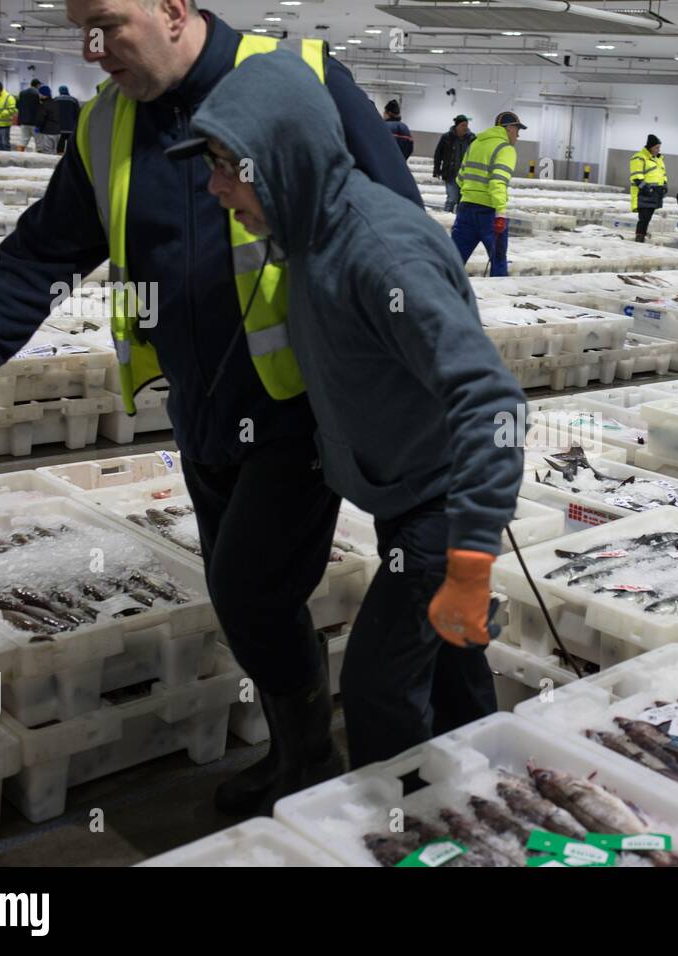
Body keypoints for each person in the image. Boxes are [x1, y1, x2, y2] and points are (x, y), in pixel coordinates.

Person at [0, 0, 421, 818]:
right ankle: (298, 749)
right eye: (80, 25)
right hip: (200, 408)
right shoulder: (106, 126)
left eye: (109, 22)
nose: (91, 47)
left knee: (252, 588)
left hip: (302, 408)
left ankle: (314, 761)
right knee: (245, 596)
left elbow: (398, 231)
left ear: (174, 8)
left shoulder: (305, 80)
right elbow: (41, 254)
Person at [179, 49, 525, 770]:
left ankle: (398, 833)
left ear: (283, 157)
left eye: (227, 165)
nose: (215, 188)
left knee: (375, 686)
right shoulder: (306, 235)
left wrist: (468, 565)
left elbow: (493, 401)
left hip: (442, 507)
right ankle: (482, 806)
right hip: (404, 501)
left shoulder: (380, 252)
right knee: (454, 675)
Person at [450, 111, 524, 277]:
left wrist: (471, 194)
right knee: (498, 262)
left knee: (453, 261)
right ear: (509, 128)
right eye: (518, 130)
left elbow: (460, 178)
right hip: (489, 213)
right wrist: (501, 213)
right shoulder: (505, 149)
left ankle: (438, 297)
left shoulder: (475, 144)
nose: (518, 136)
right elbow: (497, 182)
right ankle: (499, 299)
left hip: (465, 210)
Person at [433, 114, 474, 213]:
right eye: (463, 125)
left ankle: (458, 222)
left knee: (462, 201)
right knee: (452, 199)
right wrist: (437, 170)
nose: (466, 127)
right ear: (457, 126)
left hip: (465, 176)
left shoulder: (472, 138)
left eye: (466, 125)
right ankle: (446, 217)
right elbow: (438, 154)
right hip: (450, 174)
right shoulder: (446, 137)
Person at [629, 134, 667, 243]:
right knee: (644, 218)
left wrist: (664, 185)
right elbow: (636, 177)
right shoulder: (639, 157)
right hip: (644, 194)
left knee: (648, 217)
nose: (658, 150)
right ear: (650, 147)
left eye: (659, 147)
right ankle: (639, 237)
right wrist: (647, 189)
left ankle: (643, 234)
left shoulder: (658, 159)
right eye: (656, 147)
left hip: (655, 194)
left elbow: (662, 174)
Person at [35, 86, 61, 155]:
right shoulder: (56, 103)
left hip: (47, 132)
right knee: (54, 151)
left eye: (39, 94)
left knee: (47, 153)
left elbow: (41, 118)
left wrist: (37, 127)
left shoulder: (44, 105)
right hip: (57, 132)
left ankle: (49, 166)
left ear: (43, 95)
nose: (39, 95)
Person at [17, 78, 41, 152]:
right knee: (38, 141)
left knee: (23, 139)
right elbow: (39, 109)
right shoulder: (37, 94)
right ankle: (40, 158)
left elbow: (18, 106)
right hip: (34, 123)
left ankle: (19, 156)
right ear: (37, 85)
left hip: (23, 121)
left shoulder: (22, 93)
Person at [54, 85, 80, 154]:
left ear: (60, 91)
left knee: (60, 145)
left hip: (59, 127)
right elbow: (78, 113)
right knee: (71, 146)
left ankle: (59, 157)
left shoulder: (55, 99)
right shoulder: (74, 100)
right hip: (71, 127)